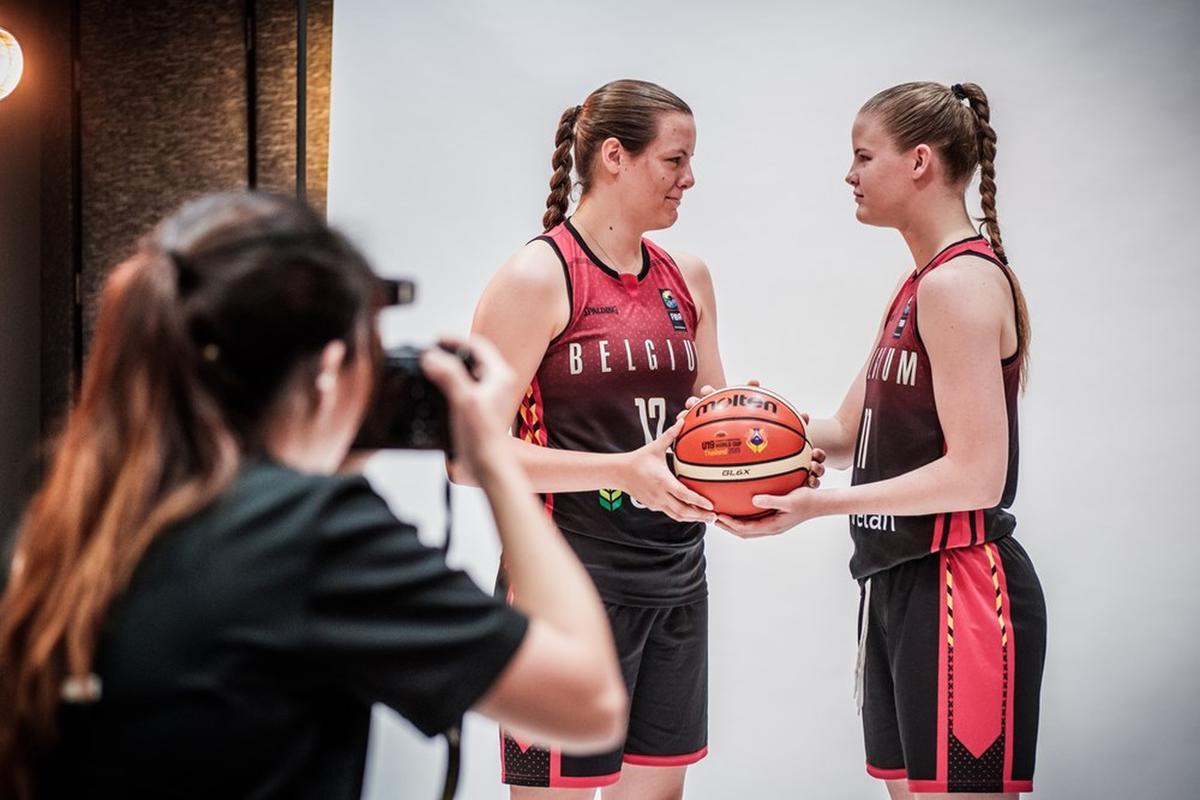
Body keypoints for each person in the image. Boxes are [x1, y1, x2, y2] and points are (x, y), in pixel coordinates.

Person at [0, 191, 627, 800]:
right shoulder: (312, 533)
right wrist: (491, 455)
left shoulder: (69, 527)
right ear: (328, 373)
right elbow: (590, 702)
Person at [715, 82, 1047, 797]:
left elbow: (977, 475)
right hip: (896, 581)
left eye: (864, 156)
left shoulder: (958, 286)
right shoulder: (918, 284)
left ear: (919, 162)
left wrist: (818, 506)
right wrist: (737, 426)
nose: (850, 174)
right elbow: (843, 434)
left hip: (959, 587)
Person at [464, 79, 729, 799]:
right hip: (564, 587)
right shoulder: (537, 276)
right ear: (615, 156)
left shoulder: (688, 278)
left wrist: (763, 455)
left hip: (677, 581)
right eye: (674, 159)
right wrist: (621, 470)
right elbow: (468, 455)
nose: (689, 178)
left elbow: (706, 429)